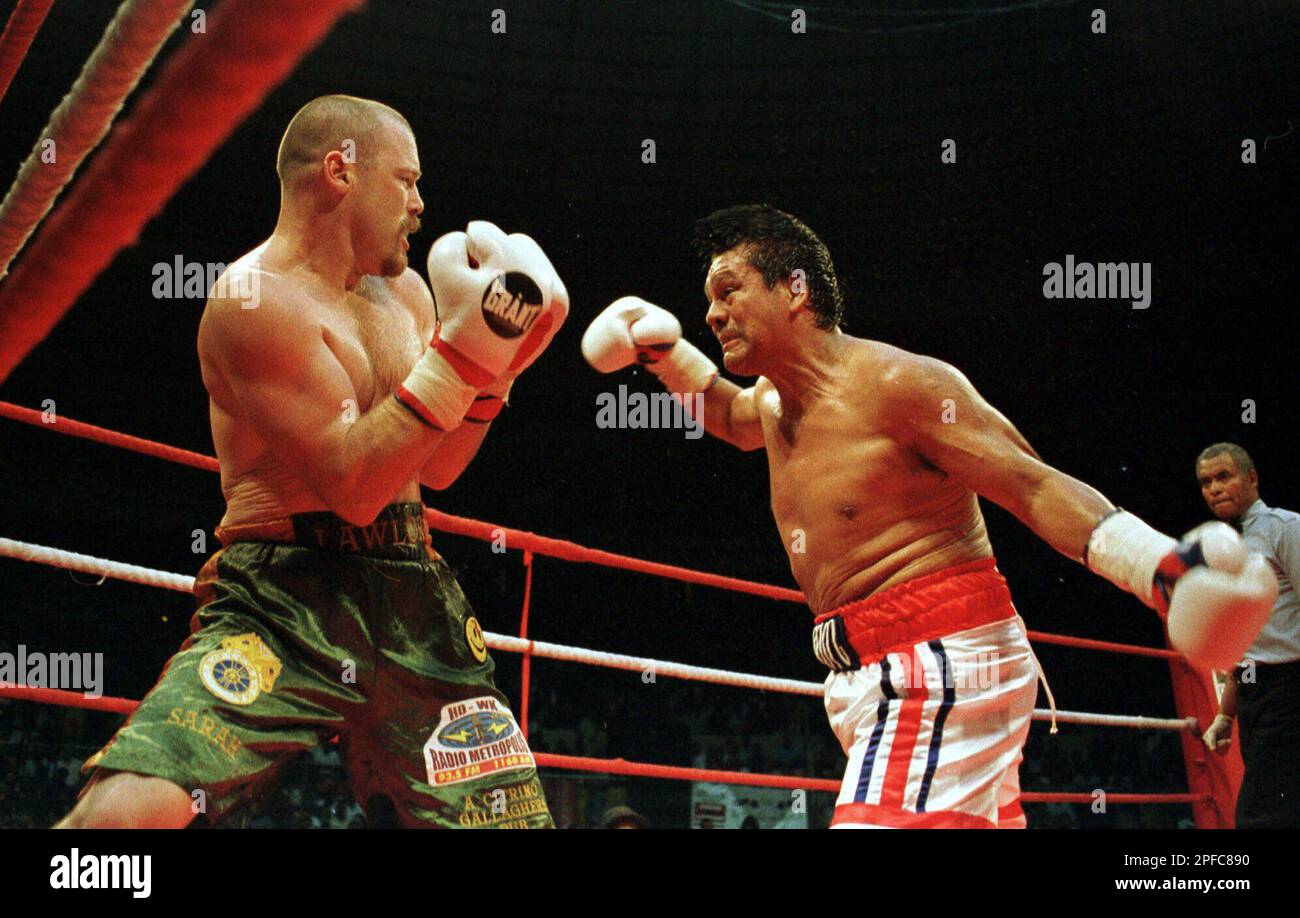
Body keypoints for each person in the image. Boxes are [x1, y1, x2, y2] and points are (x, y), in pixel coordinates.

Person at [582, 204, 1272, 828]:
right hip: (864, 671)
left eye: (729, 290)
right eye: (708, 300)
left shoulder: (900, 386)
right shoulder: (769, 399)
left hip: (941, 662)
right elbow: (730, 417)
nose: (712, 312)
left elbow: (1030, 484)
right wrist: (666, 358)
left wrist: (1159, 567)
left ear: (794, 289)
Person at [55, 95, 566, 829]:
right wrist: (466, 356)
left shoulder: (408, 294)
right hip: (286, 595)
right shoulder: (255, 300)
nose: (422, 204)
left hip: (415, 593)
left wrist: (499, 373)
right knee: (130, 813)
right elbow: (353, 487)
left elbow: (437, 465)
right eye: (407, 180)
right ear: (340, 171)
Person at [1196, 443, 1300, 828]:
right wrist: (1226, 713)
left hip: (1290, 690)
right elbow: (1245, 642)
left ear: (1251, 477)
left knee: (1259, 816)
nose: (1214, 488)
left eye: (1224, 476)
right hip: (1255, 696)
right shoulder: (1222, 550)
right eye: (1206, 482)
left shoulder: (1285, 529)